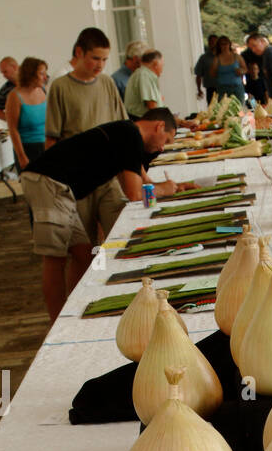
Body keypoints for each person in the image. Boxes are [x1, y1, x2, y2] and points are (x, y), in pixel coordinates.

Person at [21, 110, 180, 321]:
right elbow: (134, 194)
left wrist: (174, 188)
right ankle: (57, 322)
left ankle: (73, 309)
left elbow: (144, 182)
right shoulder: (131, 134)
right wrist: (166, 190)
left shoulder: (128, 134)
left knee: (83, 252)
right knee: (54, 257)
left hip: (63, 188)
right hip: (48, 181)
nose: (162, 148)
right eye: (166, 140)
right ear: (159, 126)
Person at [45, 26, 128, 251]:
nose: (100, 65)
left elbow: (123, 129)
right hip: (77, 180)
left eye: (104, 59)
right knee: (83, 249)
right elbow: (52, 139)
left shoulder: (107, 83)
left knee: (121, 239)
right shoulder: (60, 87)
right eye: (95, 58)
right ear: (80, 53)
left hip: (108, 177)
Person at [5, 57, 48, 172]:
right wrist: (21, 156)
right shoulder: (14, 96)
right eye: (41, 73)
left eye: (45, 73)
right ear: (30, 74)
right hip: (27, 148)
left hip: (46, 145)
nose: (45, 77)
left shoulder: (43, 90)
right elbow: (13, 129)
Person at [124, 50, 166, 118]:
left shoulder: (143, 74)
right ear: (156, 64)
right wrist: (178, 121)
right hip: (142, 121)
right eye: (162, 65)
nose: (162, 69)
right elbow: (153, 109)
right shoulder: (144, 75)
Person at [210, 37, 246, 105]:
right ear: (219, 46)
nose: (224, 46)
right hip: (223, 89)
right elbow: (212, 74)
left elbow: (245, 69)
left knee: (239, 109)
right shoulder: (217, 59)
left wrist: (241, 71)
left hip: (237, 87)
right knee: (224, 110)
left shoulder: (237, 56)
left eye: (226, 43)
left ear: (229, 44)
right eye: (222, 44)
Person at [195, 35, 218, 103]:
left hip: (224, 88)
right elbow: (198, 75)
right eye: (211, 42)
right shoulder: (203, 58)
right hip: (211, 89)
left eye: (214, 42)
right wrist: (199, 89)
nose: (213, 44)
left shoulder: (224, 56)